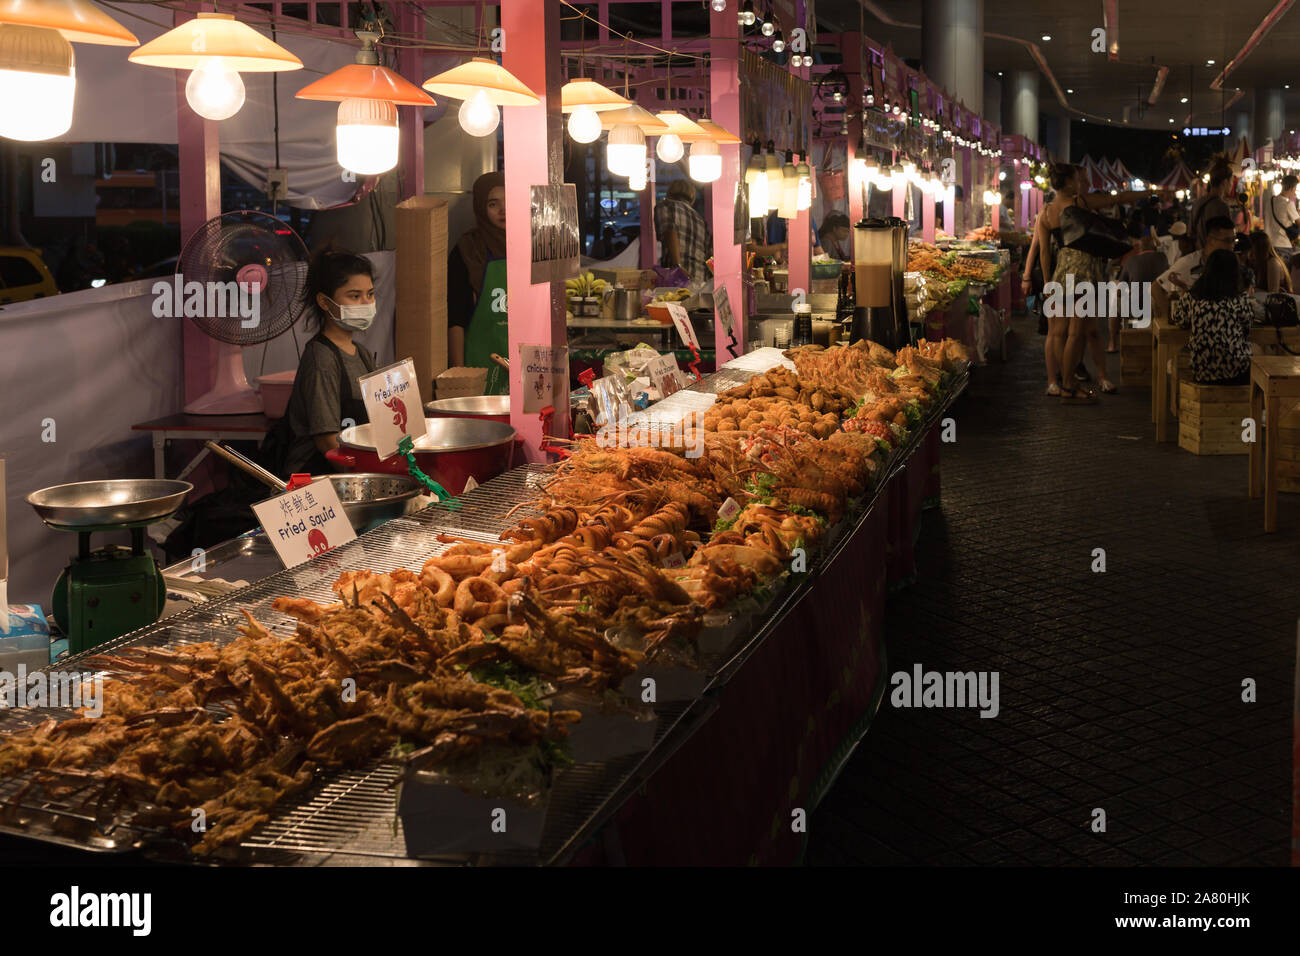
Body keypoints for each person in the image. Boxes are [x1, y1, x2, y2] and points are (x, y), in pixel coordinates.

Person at [1035, 163, 1148, 400]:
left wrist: (1046, 280)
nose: (1080, 184)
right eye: (1077, 179)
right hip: (1084, 271)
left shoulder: (1046, 212)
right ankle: (1068, 385)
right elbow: (1114, 199)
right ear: (1068, 183)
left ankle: (1064, 382)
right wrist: (1148, 193)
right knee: (1076, 333)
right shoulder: (1079, 203)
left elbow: (1044, 252)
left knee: (1061, 333)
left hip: (1061, 273)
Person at [280, 249, 378, 477]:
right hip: (319, 478)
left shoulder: (361, 353)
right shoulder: (321, 358)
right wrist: (362, 481)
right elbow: (326, 440)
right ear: (325, 302)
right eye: (355, 296)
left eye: (370, 294)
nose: (366, 303)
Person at [447, 171, 508, 393]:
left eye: (510, 201)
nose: (503, 210)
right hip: (478, 368)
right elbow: (455, 320)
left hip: (526, 369)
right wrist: (459, 376)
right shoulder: (469, 251)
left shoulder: (533, 247)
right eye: (493, 204)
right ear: (481, 208)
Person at [1170, 248, 1254, 386]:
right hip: (1236, 370)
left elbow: (1179, 319)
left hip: (1202, 370)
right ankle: (1257, 407)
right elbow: (1247, 325)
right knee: (1257, 354)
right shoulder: (1239, 297)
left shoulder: (1192, 296)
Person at [1111, 234, 1171, 352]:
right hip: (1158, 307)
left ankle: (1112, 343)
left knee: (1114, 302)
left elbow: (1119, 291)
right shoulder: (1163, 257)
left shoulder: (1131, 260)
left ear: (1140, 248)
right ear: (1154, 248)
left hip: (1136, 308)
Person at [1157, 216, 1238, 294]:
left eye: (1234, 240)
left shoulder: (1230, 265)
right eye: (1227, 241)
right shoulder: (1188, 263)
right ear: (1211, 240)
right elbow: (1155, 288)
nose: (1232, 245)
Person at [654, 179, 711, 282]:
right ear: (692, 197)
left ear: (670, 192)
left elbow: (669, 231)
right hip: (700, 279)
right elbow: (709, 253)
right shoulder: (700, 220)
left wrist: (678, 266)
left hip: (677, 279)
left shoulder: (666, 205)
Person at [1188, 166, 1232, 248]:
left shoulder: (1197, 203)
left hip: (1198, 254)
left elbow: (1190, 232)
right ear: (1225, 182)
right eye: (1231, 181)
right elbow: (1227, 238)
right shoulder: (1222, 206)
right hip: (1214, 255)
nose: (1231, 185)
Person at [1262, 174, 1299, 264]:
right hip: (1283, 245)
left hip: (1269, 245)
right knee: (1284, 276)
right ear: (1292, 188)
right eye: (1295, 189)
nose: (1295, 192)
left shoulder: (1269, 201)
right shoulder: (1288, 204)